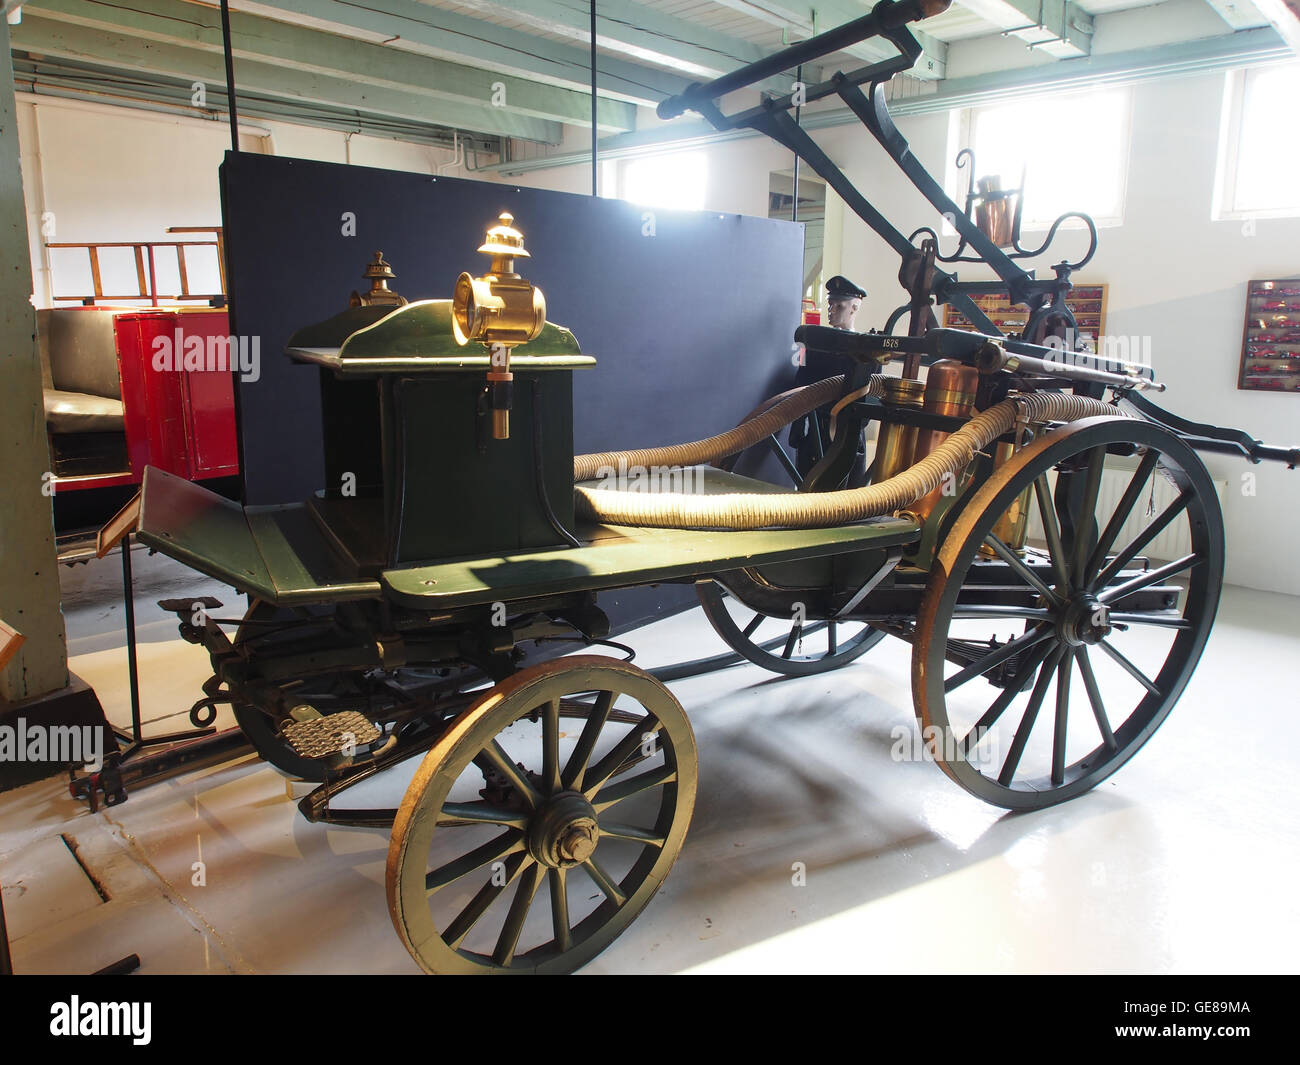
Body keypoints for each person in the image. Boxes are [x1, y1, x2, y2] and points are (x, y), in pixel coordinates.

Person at [791, 275, 869, 477]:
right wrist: (797, 426)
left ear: (854, 308)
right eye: (830, 304)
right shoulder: (816, 347)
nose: (831, 310)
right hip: (816, 431)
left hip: (848, 435)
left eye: (839, 306)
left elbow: (870, 394)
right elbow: (801, 385)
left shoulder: (868, 351)